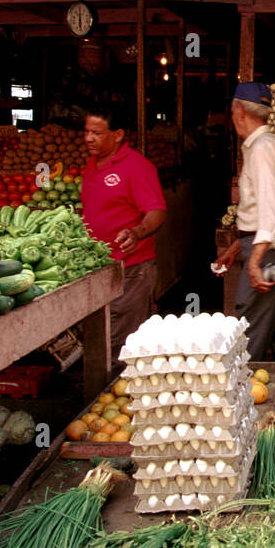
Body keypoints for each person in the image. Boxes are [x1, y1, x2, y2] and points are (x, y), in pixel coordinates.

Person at [213, 82, 275, 361]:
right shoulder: (273, 144)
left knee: (251, 323)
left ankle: (244, 392)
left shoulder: (261, 150)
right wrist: (239, 246)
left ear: (239, 111)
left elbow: (269, 210)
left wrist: (254, 261)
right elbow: (269, 208)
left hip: (269, 252)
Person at [79, 102, 167, 367]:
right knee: (101, 339)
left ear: (118, 134)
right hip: (99, 269)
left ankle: (125, 398)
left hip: (130, 270)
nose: (89, 138)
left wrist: (137, 231)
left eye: (97, 133)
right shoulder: (91, 165)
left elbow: (157, 211)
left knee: (123, 342)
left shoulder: (136, 167)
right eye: (86, 132)